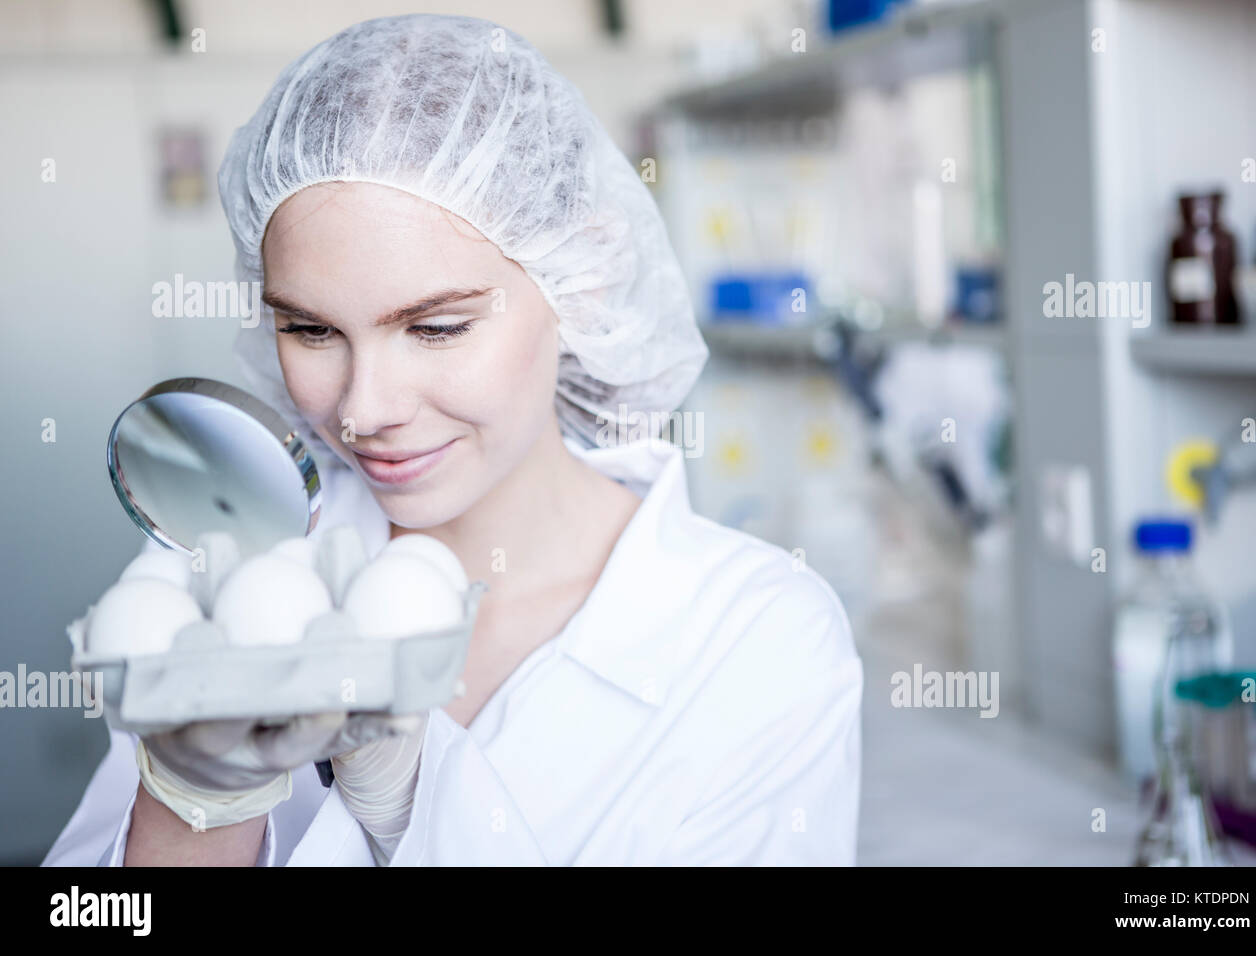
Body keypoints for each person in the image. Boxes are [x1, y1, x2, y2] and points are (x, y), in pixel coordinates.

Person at [42, 13, 863, 866]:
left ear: (581, 272)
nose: (366, 408)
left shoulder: (757, 638)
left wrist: (411, 808)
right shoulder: (222, 581)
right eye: (312, 330)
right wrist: (195, 798)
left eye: (435, 327)